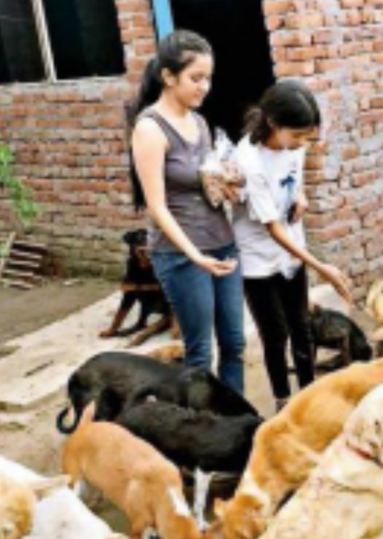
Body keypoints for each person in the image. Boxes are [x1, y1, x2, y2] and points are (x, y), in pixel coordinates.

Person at [128, 30, 247, 395]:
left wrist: (229, 185)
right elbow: (156, 206)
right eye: (196, 78)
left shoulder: (198, 122)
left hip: (222, 243)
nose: (204, 87)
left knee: (235, 345)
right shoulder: (150, 128)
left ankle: (236, 422)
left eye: (208, 78)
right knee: (200, 353)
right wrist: (195, 256)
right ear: (168, 76)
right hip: (182, 254)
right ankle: (203, 432)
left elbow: (207, 184)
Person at [232, 80, 354, 413]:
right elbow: (272, 228)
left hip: (292, 249)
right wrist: (322, 267)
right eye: (297, 135)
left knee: (302, 327)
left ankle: (311, 397)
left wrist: (301, 196)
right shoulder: (248, 160)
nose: (302, 144)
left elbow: (295, 184)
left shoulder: (295, 148)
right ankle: (284, 402)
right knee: (276, 335)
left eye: (307, 137)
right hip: (259, 260)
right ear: (273, 123)